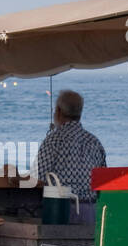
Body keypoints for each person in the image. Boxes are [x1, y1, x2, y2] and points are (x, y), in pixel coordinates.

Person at [36, 89, 106, 224]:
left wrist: (17, 179)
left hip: (62, 210)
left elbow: (39, 179)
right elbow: (102, 180)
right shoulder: (94, 141)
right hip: (91, 211)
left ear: (58, 111)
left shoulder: (53, 140)